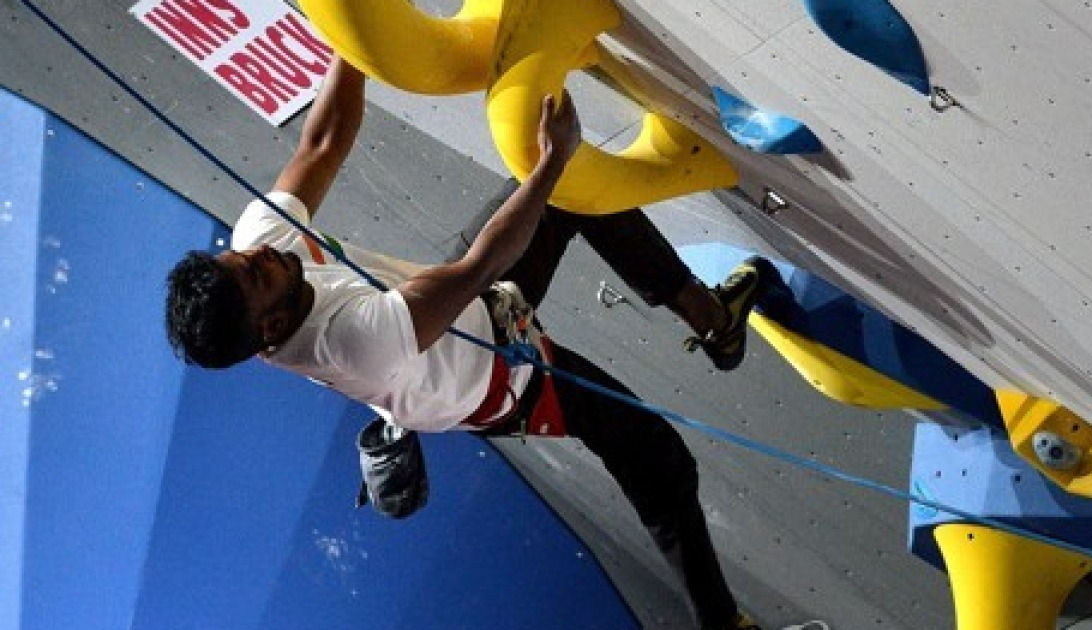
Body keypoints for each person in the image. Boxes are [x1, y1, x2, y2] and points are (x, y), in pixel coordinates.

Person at [164, 57, 768, 630]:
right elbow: (481, 265)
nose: (261, 253)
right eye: (256, 273)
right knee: (656, 456)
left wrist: (351, 43)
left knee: (566, 193)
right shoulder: (349, 344)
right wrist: (552, 161)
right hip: (504, 378)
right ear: (269, 329)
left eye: (239, 256)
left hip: (461, 307)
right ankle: (723, 623)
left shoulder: (258, 252)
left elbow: (320, 145)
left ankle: (716, 322)